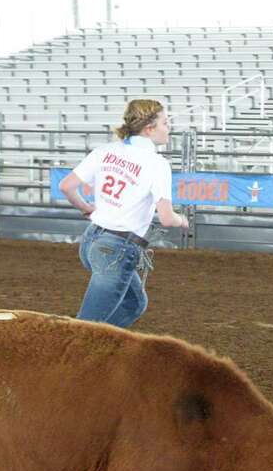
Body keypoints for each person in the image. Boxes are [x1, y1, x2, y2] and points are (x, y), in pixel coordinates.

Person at [58, 99, 189, 328]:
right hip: (117, 248)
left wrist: (86, 208)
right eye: (165, 123)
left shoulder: (106, 151)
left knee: (134, 303)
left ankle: (102, 349)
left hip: (91, 241)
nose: (168, 128)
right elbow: (167, 218)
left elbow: (66, 186)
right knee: (84, 327)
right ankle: (75, 356)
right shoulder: (156, 164)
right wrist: (182, 219)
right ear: (149, 128)